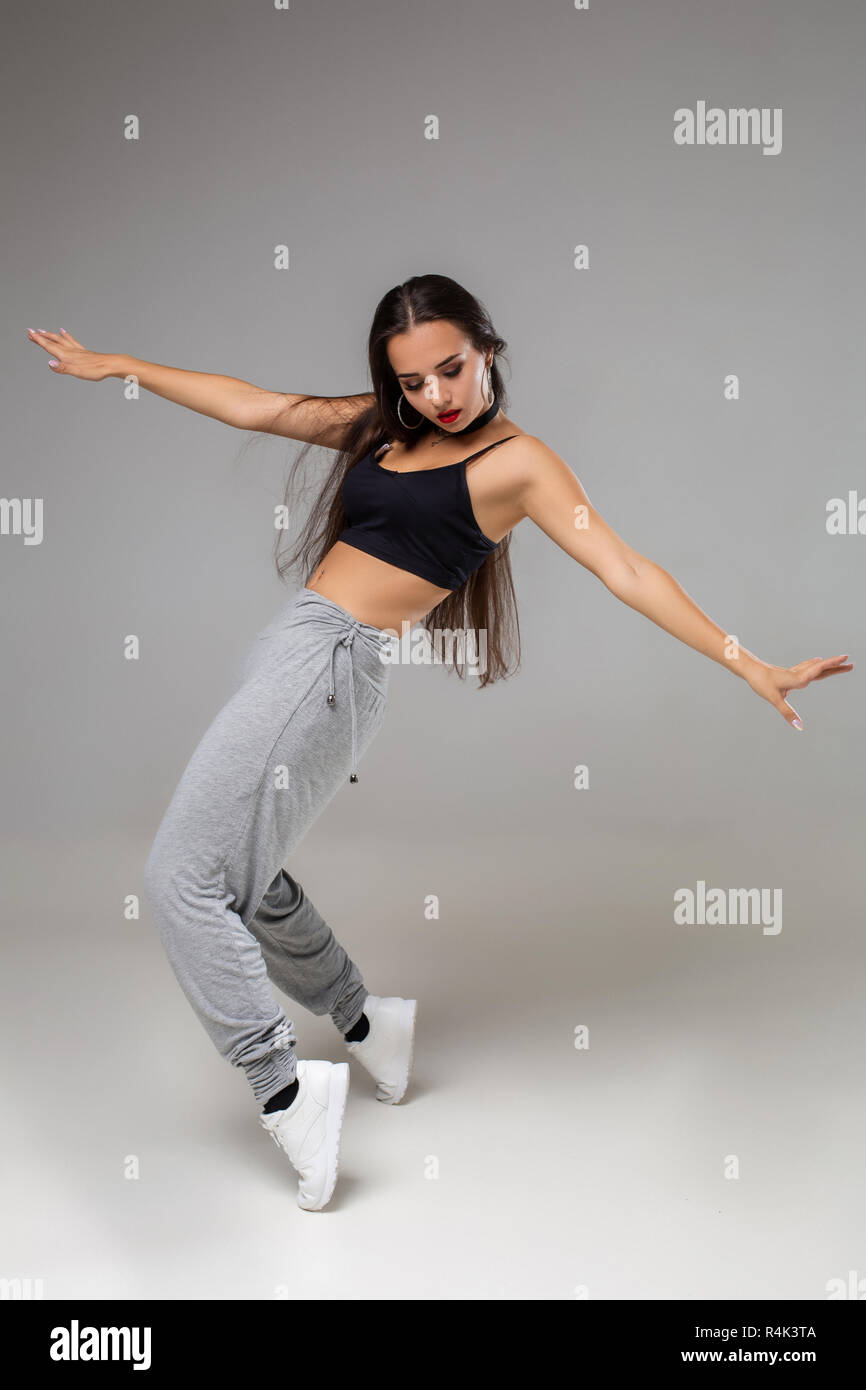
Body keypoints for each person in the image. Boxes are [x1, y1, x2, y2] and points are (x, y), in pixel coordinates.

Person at [26, 274, 853, 1211]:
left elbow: (626, 568)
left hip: (332, 668)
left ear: (488, 349)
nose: (436, 396)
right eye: (413, 382)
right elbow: (253, 404)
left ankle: (287, 1093)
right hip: (295, 650)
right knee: (240, 879)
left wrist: (750, 662)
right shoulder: (388, 428)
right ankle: (370, 1025)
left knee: (180, 879)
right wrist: (122, 365)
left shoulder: (520, 465)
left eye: (451, 370)